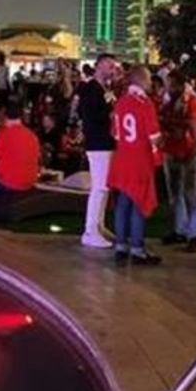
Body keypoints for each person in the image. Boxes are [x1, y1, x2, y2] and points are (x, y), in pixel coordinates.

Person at [108, 66, 162, 266]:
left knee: (122, 203)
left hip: (122, 158)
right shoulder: (144, 104)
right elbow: (154, 137)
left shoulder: (121, 102)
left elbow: (115, 133)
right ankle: (138, 249)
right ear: (141, 80)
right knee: (139, 203)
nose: (150, 83)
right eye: (147, 79)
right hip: (139, 160)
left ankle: (121, 246)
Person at [77, 53, 119, 249]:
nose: (113, 69)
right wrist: (110, 114)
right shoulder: (91, 89)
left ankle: (98, 225)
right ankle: (90, 230)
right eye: (109, 65)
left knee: (104, 186)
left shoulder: (104, 89)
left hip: (105, 142)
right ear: (99, 66)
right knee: (99, 186)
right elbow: (92, 116)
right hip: (98, 142)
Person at [160, 70, 196, 253]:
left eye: (170, 84)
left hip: (187, 152)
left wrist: (175, 124)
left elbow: (194, 124)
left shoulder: (190, 101)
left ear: (178, 84)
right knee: (176, 194)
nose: (168, 88)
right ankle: (180, 229)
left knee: (191, 194)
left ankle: (195, 233)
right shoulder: (169, 101)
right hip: (170, 150)